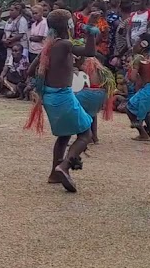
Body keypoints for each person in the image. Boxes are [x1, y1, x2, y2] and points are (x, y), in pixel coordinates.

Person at [25, 10, 99, 192]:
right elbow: (90, 51)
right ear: (68, 26)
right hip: (62, 96)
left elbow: (29, 71)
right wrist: (91, 28)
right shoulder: (65, 44)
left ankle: (54, 174)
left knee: (64, 135)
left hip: (50, 97)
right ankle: (64, 167)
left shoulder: (49, 46)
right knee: (86, 135)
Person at [74, 56, 115, 145]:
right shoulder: (101, 70)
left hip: (88, 94)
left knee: (81, 113)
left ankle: (86, 136)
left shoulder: (87, 66)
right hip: (101, 95)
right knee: (92, 114)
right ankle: (94, 137)